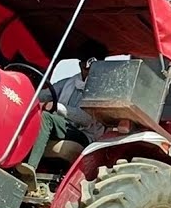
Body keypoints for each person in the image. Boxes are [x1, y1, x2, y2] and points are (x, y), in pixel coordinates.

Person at [21, 40, 108, 171]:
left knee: (46, 118)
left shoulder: (103, 89)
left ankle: (29, 168)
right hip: (63, 127)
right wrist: (24, 94)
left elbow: (86, 119)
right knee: (31, 115)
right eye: (87, 66)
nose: (90, 70)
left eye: (95, 66)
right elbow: (45, 94)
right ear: (81, 65)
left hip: (84, 135)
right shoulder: (70, 82)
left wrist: (57, 107)